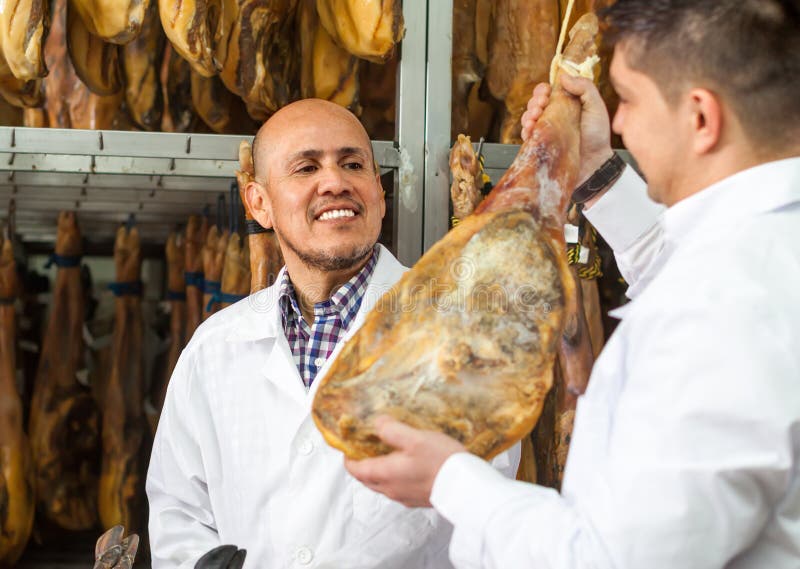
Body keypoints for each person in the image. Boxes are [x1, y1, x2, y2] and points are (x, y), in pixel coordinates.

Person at [345, 1, 800, 567]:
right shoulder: (764, 251)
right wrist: (598, 169)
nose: (621, 122)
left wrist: (451, 480)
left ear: (701, 118)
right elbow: (679, 269)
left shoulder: (724, 302)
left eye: (628, 99)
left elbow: (616, 559)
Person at [145, 98, 520, 569]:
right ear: (259, 203)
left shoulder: (463, 336)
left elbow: (489, 519)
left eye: (353, 164)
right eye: (305, 168)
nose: (335, 182)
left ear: (379, 194)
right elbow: (179, 513)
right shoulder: (214, 348)